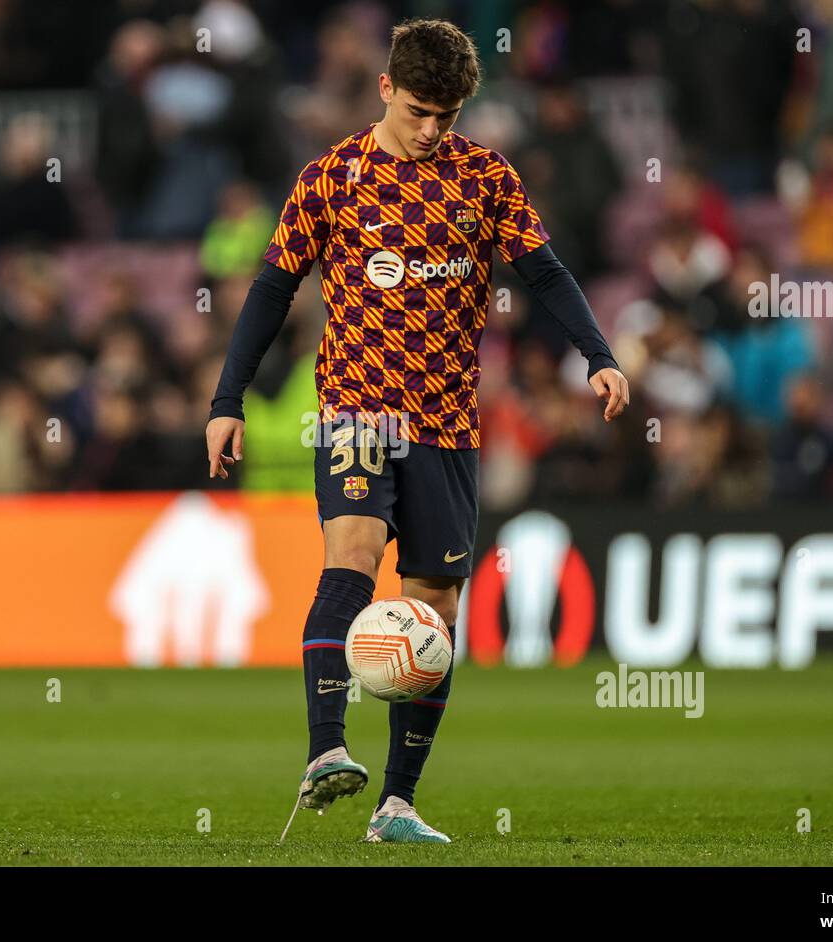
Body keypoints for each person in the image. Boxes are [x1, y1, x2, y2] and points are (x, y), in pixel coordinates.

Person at [205, 19, 629, 845]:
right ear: (386, 88)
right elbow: (269, 290)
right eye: (422, 110)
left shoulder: (485, 176)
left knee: (432, 614)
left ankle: (396, 803)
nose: (434, 130)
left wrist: (598, 354)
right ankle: (326, 749)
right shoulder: (332, 177)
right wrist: (230, 399)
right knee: (352, 554)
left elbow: (545, 270)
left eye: (450, 115)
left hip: (447, 425)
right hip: (359, 411)